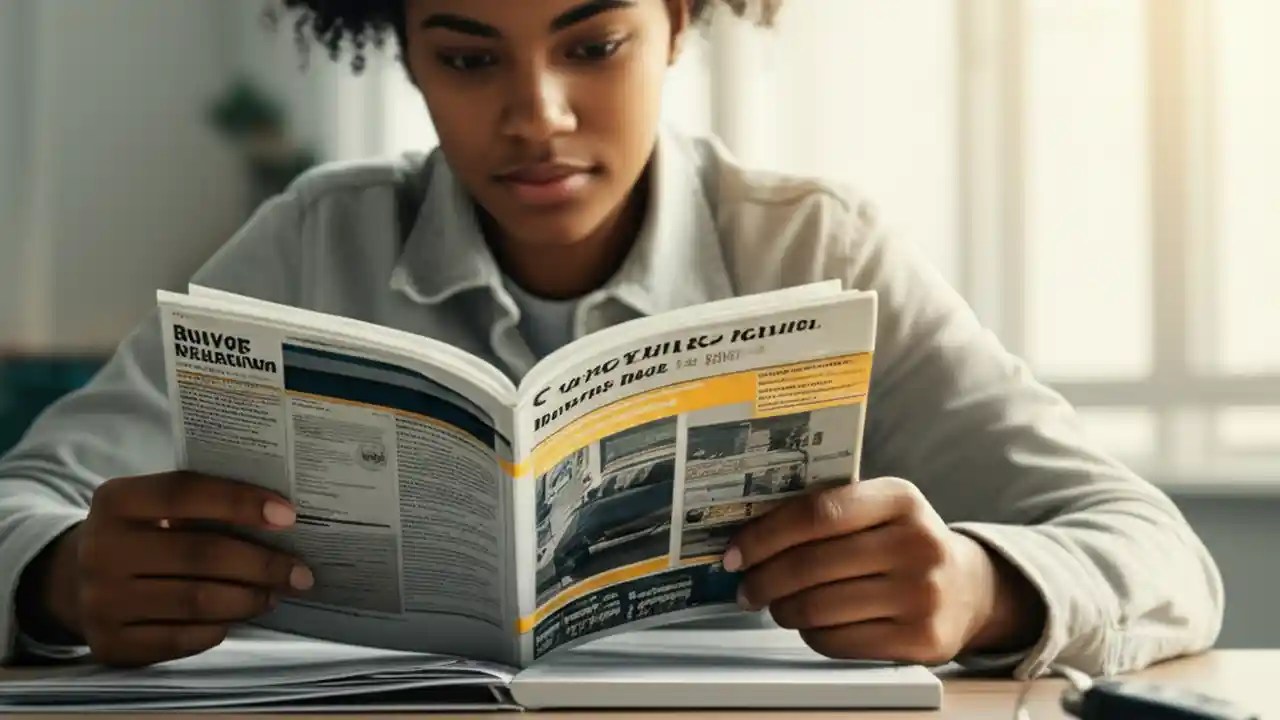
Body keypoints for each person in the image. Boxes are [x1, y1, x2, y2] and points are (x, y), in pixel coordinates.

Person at [0, 0, 1222, 678]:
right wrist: (58, 581)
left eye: (594, 45)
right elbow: (26, 500)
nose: (536, 115)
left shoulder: (816, 249)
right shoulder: (311, 242)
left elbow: (1157, 555)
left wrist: (979, 589)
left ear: (680, 25)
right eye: (468, 56)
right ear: (404, 59)